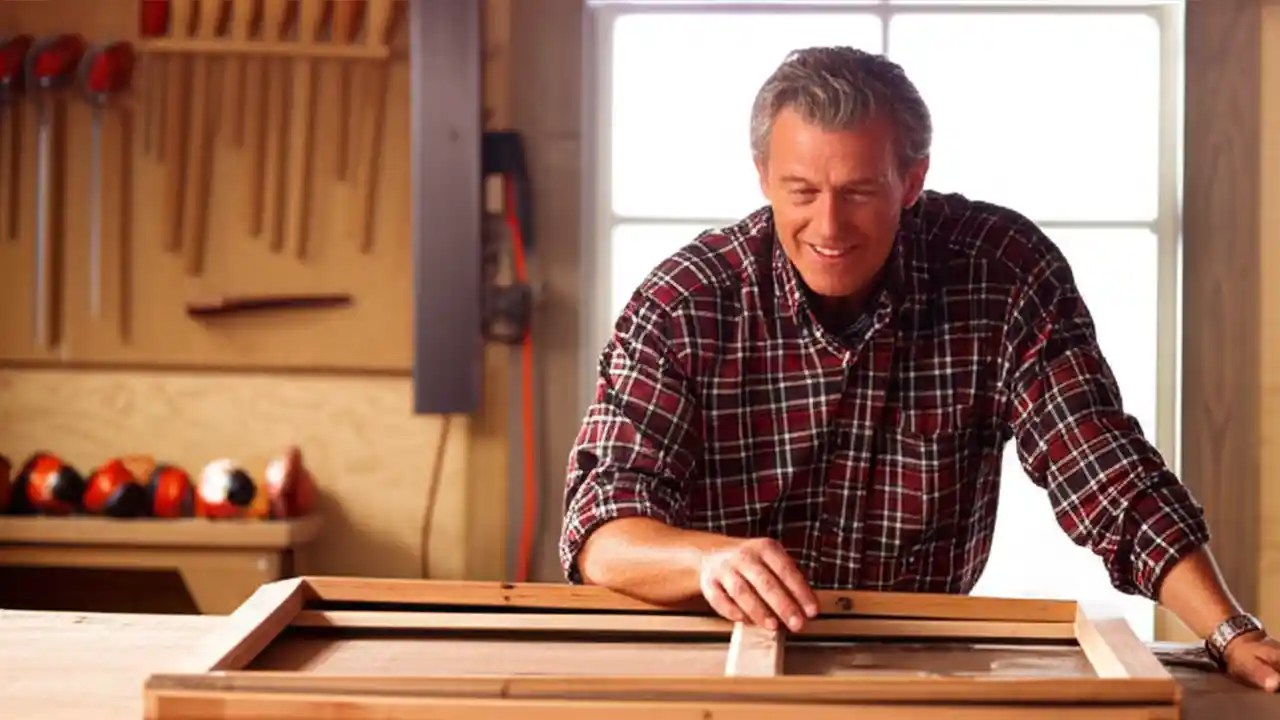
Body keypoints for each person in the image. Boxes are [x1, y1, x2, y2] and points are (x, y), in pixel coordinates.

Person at [559, 46, 1280, 691]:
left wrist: (1227, 631)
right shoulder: (683, 302)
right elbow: (599, 531)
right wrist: (705, 560)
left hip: (916, 665)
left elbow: (1106, 475)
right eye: (802, 191)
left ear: (911, 180)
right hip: (710, 669)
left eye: (860, 192)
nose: (830, 228)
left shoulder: (1000, 274)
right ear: (764, 179)